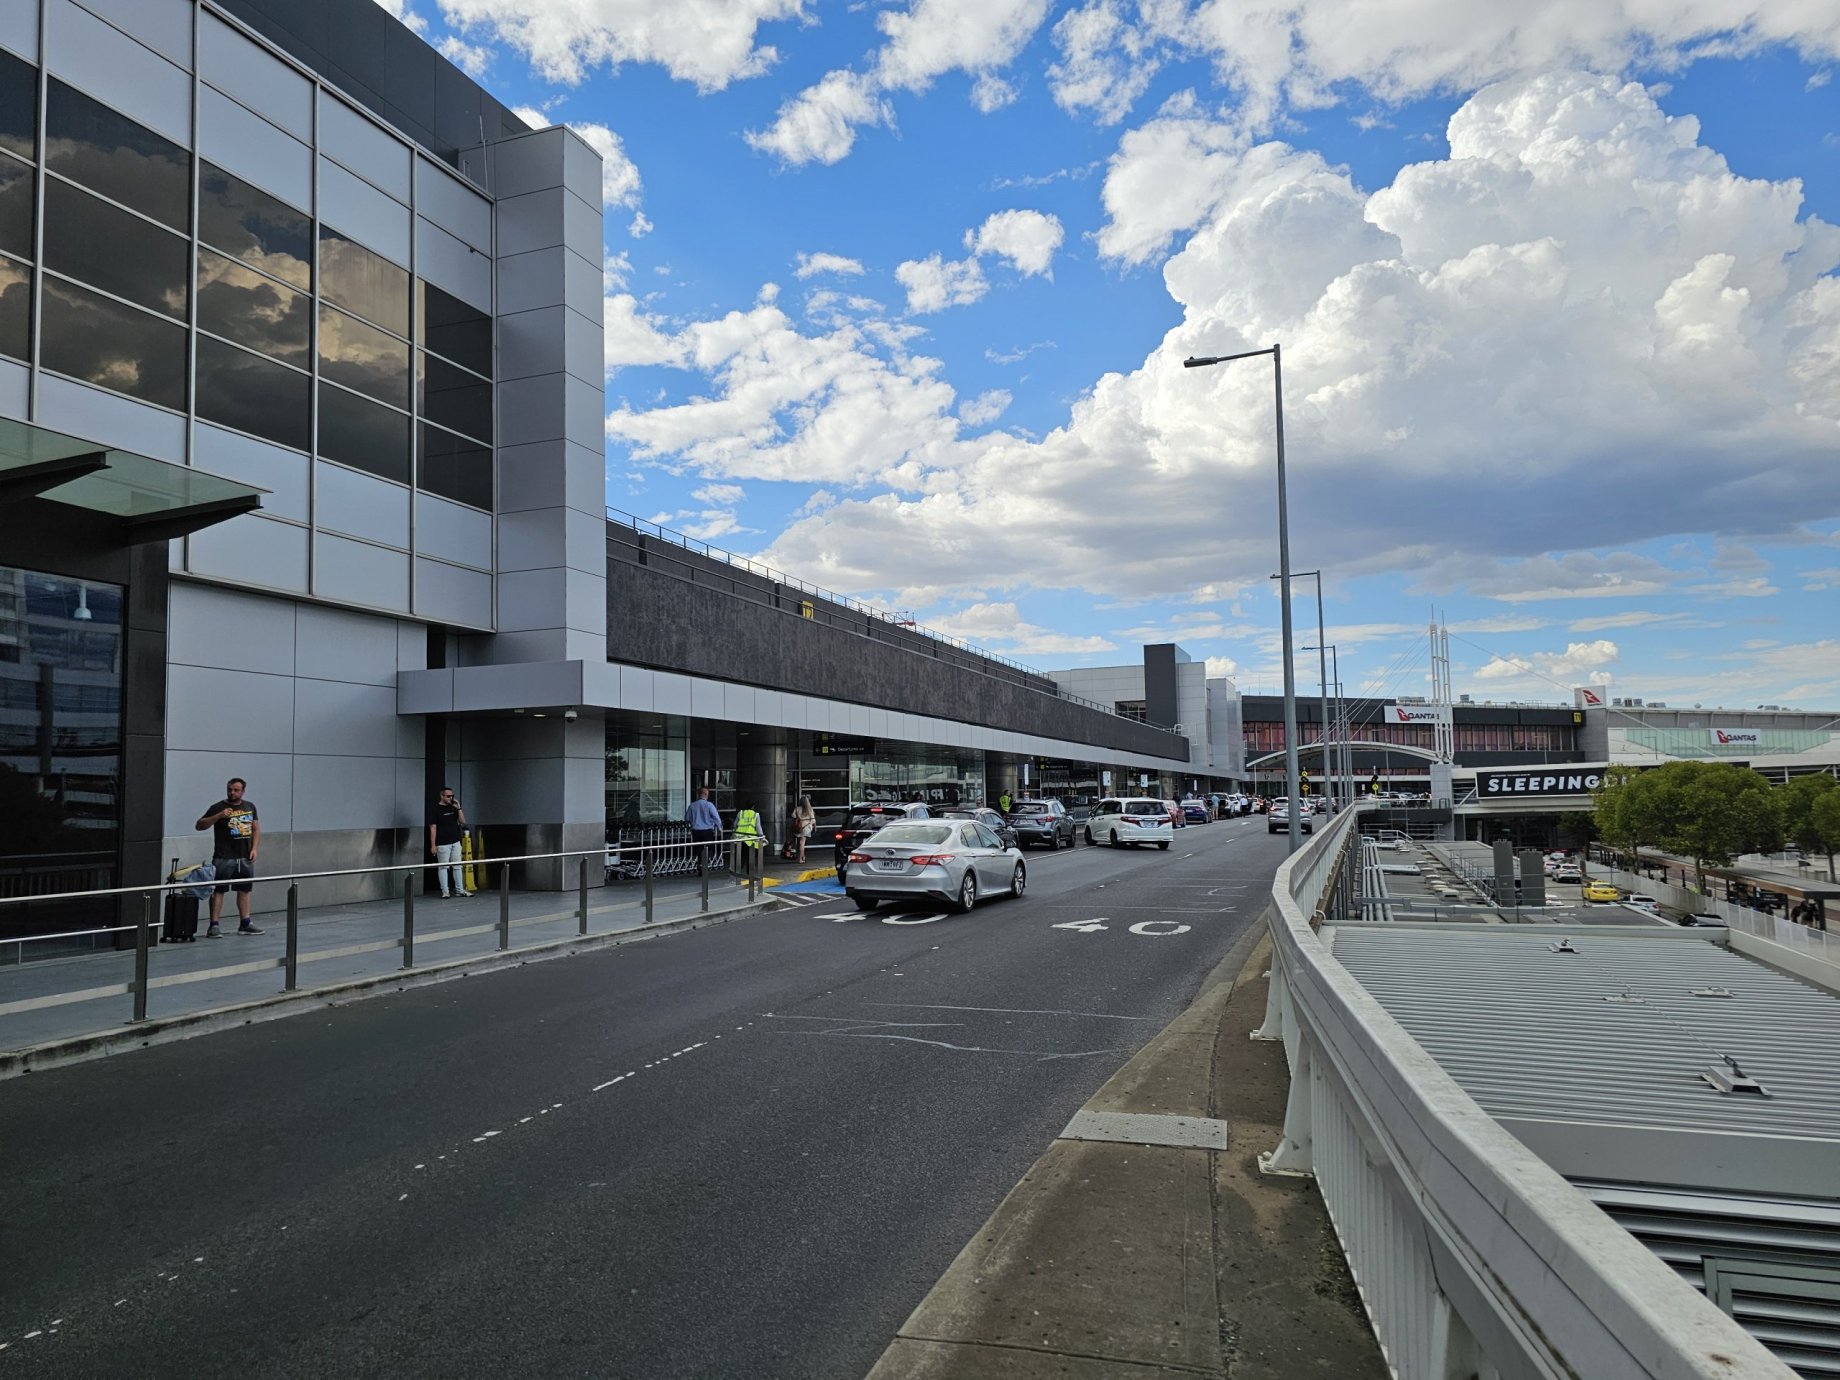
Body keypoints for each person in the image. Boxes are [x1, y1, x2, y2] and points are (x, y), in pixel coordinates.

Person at [195, 777, 262, 936]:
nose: (232, 792)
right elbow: (199, 825)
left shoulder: (250, 806)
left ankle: (245, 922)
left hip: (244, 857)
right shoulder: (218, 807)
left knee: (244, 890)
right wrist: (219, 816)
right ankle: (214, 925)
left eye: (236, 790)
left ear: (243, 791)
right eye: (230, 789)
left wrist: (254, 849)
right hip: (223, 856)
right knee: (219, 890)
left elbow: (256, 829)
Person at [428, 787, 471, 898]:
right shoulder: (435, 809)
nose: (450, 798)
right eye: (448, 796)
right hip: (442, 842)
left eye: (451, 796)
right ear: (442, 796)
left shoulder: (453, 807)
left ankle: (459, 889)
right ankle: (445, 891)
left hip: (455, 840)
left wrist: (459, 808)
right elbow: (433, 827)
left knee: (457, 866)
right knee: (443, 867)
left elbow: (462, 822)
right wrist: (433, 845)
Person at [686, 787, 722, 872]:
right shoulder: (709, 805)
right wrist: (719, 827)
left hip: (696, 831)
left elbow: (687, 818)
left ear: (699, 794)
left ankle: (700, 864)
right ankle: (704, 864)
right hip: (707, 831)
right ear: (706, 794)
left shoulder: (692, 805)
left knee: (699, 849)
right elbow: (716, 818)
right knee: (708, 848)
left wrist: (690, 827)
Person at [733, 800, 765, 877]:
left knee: (741, 857)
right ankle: (750, 874)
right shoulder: (755, 815)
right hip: (751, 840)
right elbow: (758, 827)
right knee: (751, 858)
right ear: (753, 807)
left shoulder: (740, 813)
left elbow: (734, 825)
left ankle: (736, 873)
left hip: (739, 839)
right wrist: (762, 836)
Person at [791, 794, 816, 863]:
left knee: (799, 843)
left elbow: (793, 816)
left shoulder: (797, 808)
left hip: (798, 827)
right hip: (806, 827)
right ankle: (800, 859)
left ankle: (803, 857)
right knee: (802, 843)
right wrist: (811, 824)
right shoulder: (810, 809)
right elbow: (813, 820)